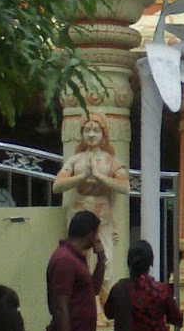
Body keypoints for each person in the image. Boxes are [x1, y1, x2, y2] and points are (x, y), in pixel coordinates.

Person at [51, 115, 130, 272]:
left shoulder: (111, 160)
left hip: (102, 213)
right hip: (79, 210)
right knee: (80, 260)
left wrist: (99, 177)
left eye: (96, 130)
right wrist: (82, 177)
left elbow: (125, 187)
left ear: (103, 134)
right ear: (81, 134)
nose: (91, 135)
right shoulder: (75, 160)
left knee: (105, 263)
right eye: (87, 131)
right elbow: (57, 186)